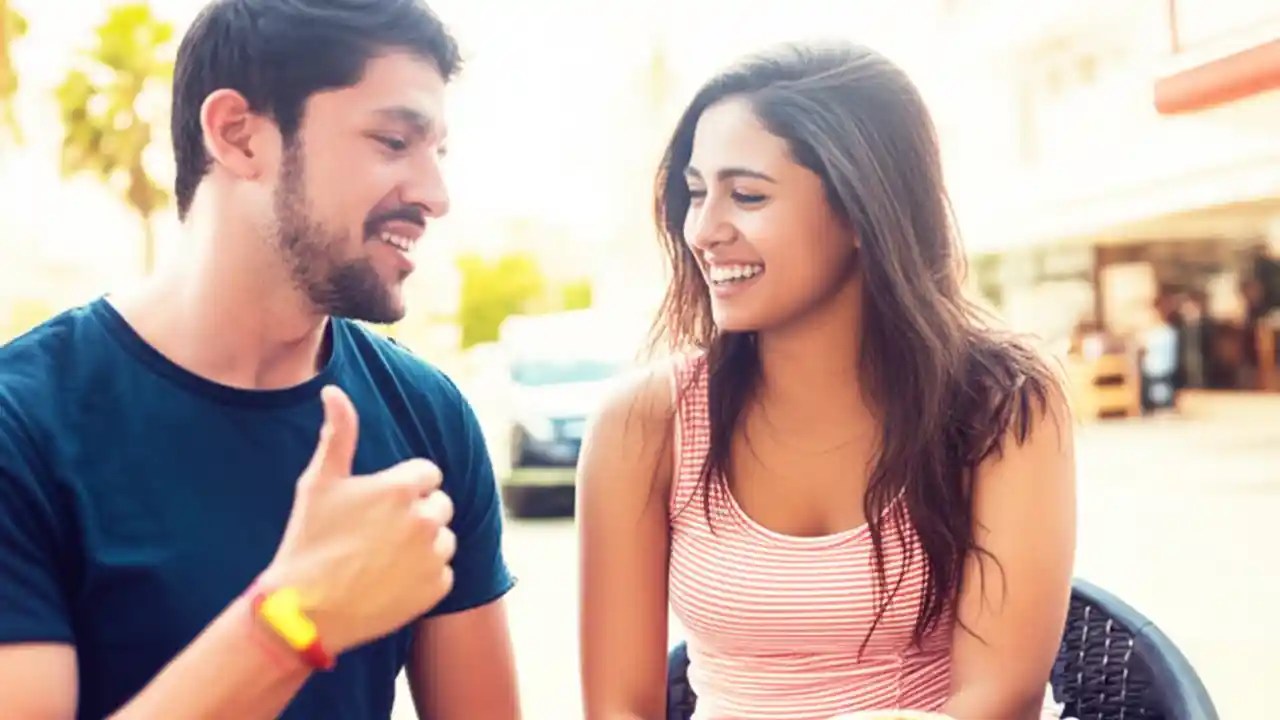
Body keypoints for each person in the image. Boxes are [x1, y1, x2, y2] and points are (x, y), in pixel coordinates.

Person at [0, 1, 519, 718]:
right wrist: (290, 620)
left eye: (438, 153)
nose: (434, 193)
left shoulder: (426, 416)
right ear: (239, 136)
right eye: (394, 140)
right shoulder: (21, 427)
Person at [578, 42, 1076, 720]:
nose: (703, 230)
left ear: (862, 209)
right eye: (696, 194)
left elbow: (999, 700)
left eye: (747, 194)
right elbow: (617, 709)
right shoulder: (644, 422)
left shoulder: (1002, 406)